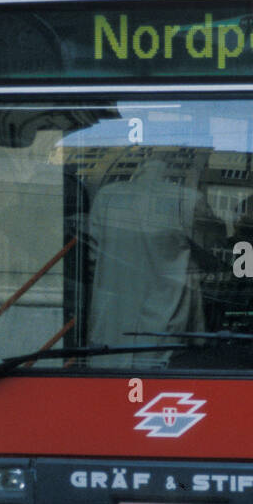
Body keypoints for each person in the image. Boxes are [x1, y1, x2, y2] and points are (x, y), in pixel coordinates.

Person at [86, 156, 223, 365]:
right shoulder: (186, 199)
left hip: (113, 325)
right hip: (165, 323)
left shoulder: (106, 196)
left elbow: (93, 257)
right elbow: (211, 248)